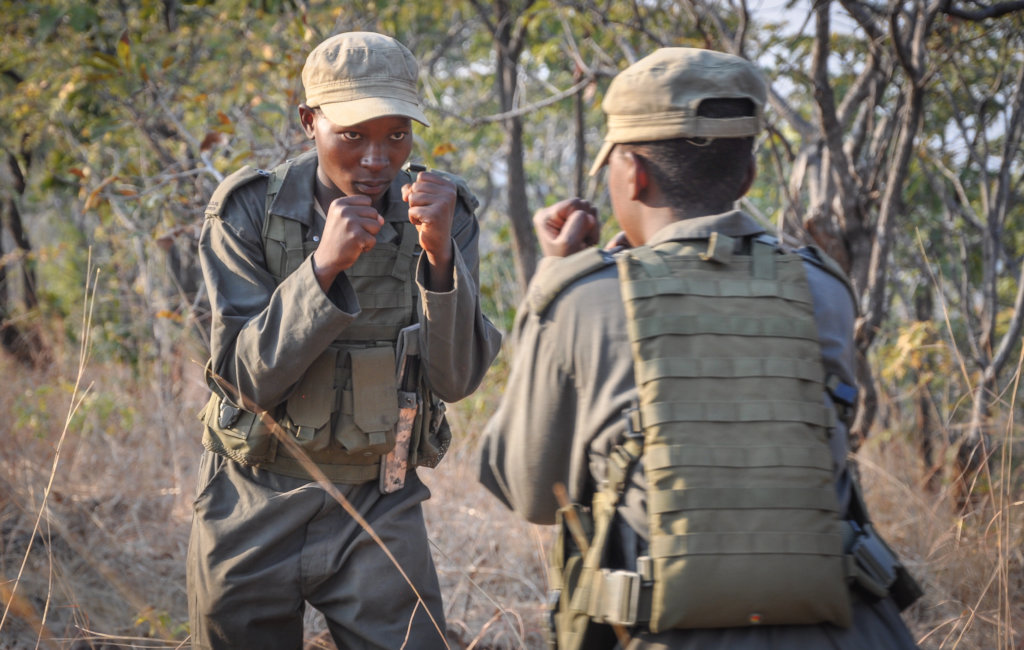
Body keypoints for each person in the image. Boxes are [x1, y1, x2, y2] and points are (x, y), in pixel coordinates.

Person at [478, 47, 920, 649]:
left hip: (664, 631)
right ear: (748, 176)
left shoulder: (583, 297)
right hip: (849, 632)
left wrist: (553, 282)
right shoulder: (825, 287)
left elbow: (530, 491)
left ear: (632, 174)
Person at [188, 31, 501, 650]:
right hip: (254, 493)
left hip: (379, 500)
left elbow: (456, 380)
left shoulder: (444, 213)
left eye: (397, 135)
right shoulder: (249, 211)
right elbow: (243, 381)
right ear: (310, 122)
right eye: (353, 135)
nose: (378, 159)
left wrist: (440, 257)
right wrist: (322, 269)